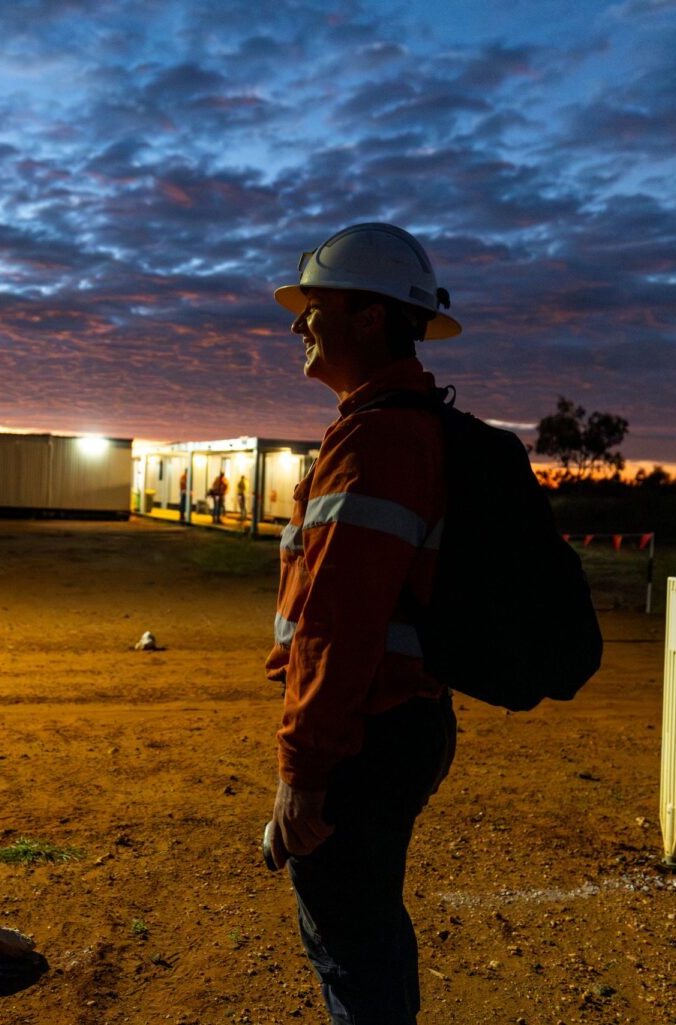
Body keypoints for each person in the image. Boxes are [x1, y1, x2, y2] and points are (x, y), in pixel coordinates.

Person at [263, 223, 463, 1024]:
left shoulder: (375, 439)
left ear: (370, 317)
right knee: (371, 923)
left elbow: (336, 625)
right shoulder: (408, 427)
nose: (297, 324)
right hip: (401, 718)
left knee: (350, 937)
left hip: (367, 729)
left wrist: (304, 772)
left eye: (314, 307)